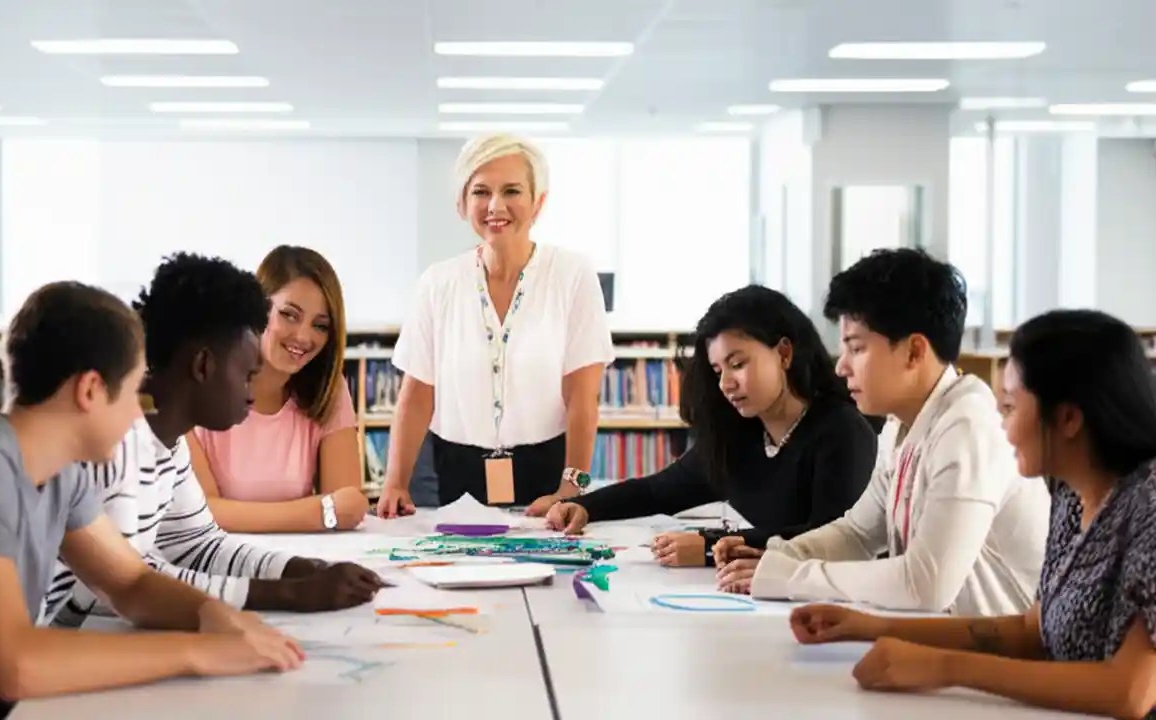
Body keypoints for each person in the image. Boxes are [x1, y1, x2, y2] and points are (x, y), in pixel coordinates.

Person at [0, 282, 301, 719]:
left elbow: (129, 584)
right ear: (91, 390)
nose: (138, 413)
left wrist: (212, 613)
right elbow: (12, 663)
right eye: (133, 392)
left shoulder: (61, 471)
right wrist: (198, 651)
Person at [789, 309, 1156, 719]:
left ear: (1068, 418)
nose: (1001, 427)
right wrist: (869, 626)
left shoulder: (1148, 511)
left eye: (1010, 408)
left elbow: (1129, 692)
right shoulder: (1074, 499)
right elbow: (1030, 632)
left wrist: (944, 667)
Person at [43, 253, 383, 628]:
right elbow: (130, 585)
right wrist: (294, 594)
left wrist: (302, 570)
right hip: (45, 650)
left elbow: (199, 546)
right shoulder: (114, 444)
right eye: (246, 373)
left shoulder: (167, 447)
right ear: (204, 366)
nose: (252, 392)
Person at [725, 248, 1049, 616]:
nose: (842, 367)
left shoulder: (968, 425)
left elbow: (925, 585)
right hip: (948, 648)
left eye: (857, 348)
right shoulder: (901, 426)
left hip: (1003, 662)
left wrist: (793, 577)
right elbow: (859, 534)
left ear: (914, 352)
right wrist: (778, 555)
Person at [544, 285, 877, 568]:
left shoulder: (841, 432)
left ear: (784, 353)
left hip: (829, 607)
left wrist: (709, 545)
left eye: (738, 364)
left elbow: (829, 538)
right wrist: (586, 507)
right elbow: (658, 490)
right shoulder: (739, 434)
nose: (726, 384)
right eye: (718, 371)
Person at [375, 133, 614, 516]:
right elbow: (417, 393)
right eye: (481, 192)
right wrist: (394, 483)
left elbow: (583, 396)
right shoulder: (438, 282)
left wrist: (573, 487)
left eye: (512, 191)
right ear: (461, 203)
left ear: (538, 203)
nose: (495, 205)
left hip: (547, 469)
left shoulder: (572, 274)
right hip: (454, 469)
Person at [189, 245, 368, 533]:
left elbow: (348, 507)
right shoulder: (199, 382)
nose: (303, 337)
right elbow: (201, 513)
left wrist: (327, 512)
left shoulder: (328, 391)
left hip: (296, 566)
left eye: (320, 326)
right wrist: (319, 513)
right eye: (289, 314)